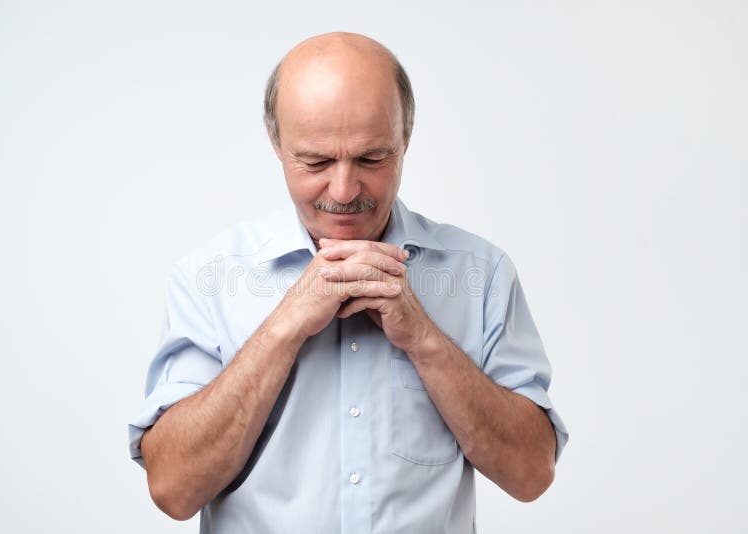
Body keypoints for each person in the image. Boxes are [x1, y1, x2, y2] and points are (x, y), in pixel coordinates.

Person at [128, 31, 569, 533]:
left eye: (372, 158)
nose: (344, 190)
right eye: (315, 162)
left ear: (405, 138)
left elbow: (532, 475)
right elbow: (172, 490)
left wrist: (424, 340)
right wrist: (284, 328)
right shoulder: (209, 280)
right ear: (277, 145)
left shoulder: (480, 275)